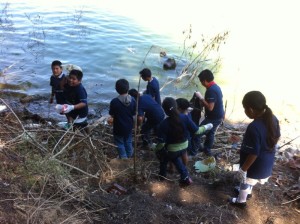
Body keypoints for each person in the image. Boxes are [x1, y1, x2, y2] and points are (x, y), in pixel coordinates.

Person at [229, 91, 280, 208]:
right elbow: (276, 137)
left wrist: (243, 170)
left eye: (244, 108)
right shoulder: (273, 118)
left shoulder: (253, 127)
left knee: (245, 180)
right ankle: (248, 192)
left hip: (255, 166)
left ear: (251, 109)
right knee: (250, 181)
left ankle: (241, 201)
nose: (245, 111)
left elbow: (253, 153)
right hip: (267, 164)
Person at [154, 97, 213, 186]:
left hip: (172, 150)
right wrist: (207, 126)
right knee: (178, 162)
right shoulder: (184, 118)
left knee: (164, 160)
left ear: (165, 111)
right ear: (176, 106)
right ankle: (185, 177)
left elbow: (161, 143)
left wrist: (155, 149)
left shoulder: (163, 124)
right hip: (184, 146)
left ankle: (162, 176)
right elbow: (197, 131)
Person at [194, 69, 225, 156]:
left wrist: (200, 98)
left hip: (213, 117)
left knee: (197, 132)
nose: (201, 84)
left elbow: (210, 108)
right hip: (218, 115)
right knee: (210, 133)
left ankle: (194, 151)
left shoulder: (211, 90)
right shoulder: (216, 86)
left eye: (201, 81)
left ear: (204, 81)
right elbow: (219, 101)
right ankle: (207, 149)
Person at [108, 79, 136, 159]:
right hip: (129, 126)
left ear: (116, 89)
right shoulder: (133, 100)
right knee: (128, 140)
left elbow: (112, 114)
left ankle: (123, 158)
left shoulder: (114, 102)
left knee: (119, 143)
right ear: (128, 88)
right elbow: (134, 114)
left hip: (118, 127)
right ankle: (130, 154)